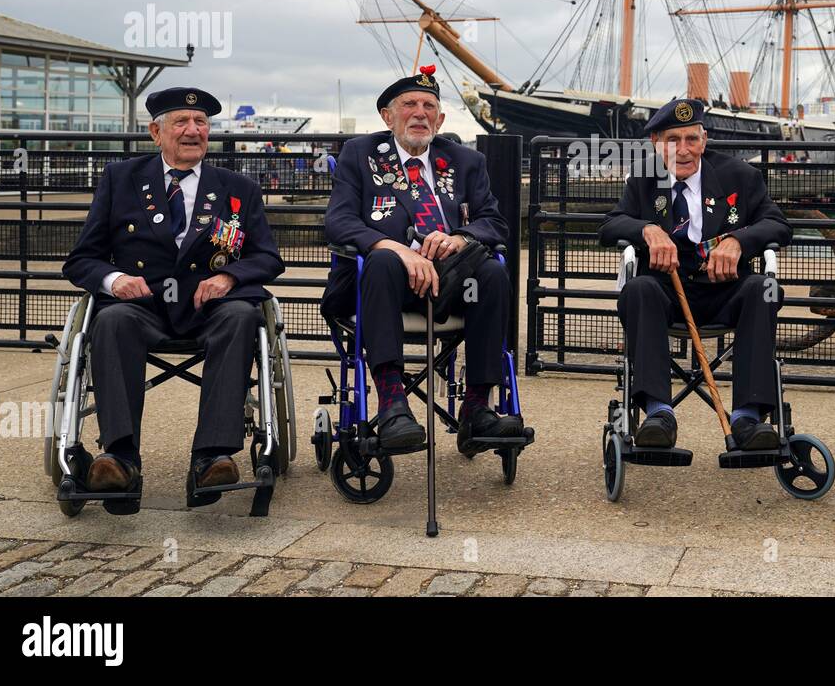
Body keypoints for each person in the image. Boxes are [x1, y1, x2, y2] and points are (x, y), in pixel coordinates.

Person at [62, 87, 284, 509]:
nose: (192, 130)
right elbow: (81, 260)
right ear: (155, 132)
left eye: (200, 123)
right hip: (140, 306)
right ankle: (120, 457)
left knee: (242, 318)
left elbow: (267, 257)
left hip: (210, 308)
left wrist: (230, 278)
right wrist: (114, 280)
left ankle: (211, 458)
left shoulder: (238, 188)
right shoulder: (121, 179)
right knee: (110, 321)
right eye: (181, 122)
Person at [321, 66, 524, 452]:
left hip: (451, 283)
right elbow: (339, 221)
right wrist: (393, 248)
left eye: (429, 105)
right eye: (409, 104)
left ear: (441, 118)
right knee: (379, 262)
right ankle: (393, 402)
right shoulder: (360, 155)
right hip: (385, 286)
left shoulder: (465, 161)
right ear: (387, 116)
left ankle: (478, 408)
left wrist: (461, 239)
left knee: (494, 274)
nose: (420, 113)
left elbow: (494, 223)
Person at [599, 98, 792, 450]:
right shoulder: (643, 178)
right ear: (656, 143)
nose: (684, 150)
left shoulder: (740, 176)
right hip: (666, 293)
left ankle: (748, 417)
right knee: (638, 288)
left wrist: (738, 240)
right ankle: (658, 413)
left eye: (692, 139)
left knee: (763, 288)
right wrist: (647, 230)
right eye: (674, 140)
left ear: (704, 141)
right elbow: (610, 225)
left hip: (725, 290)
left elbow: (778, 225)